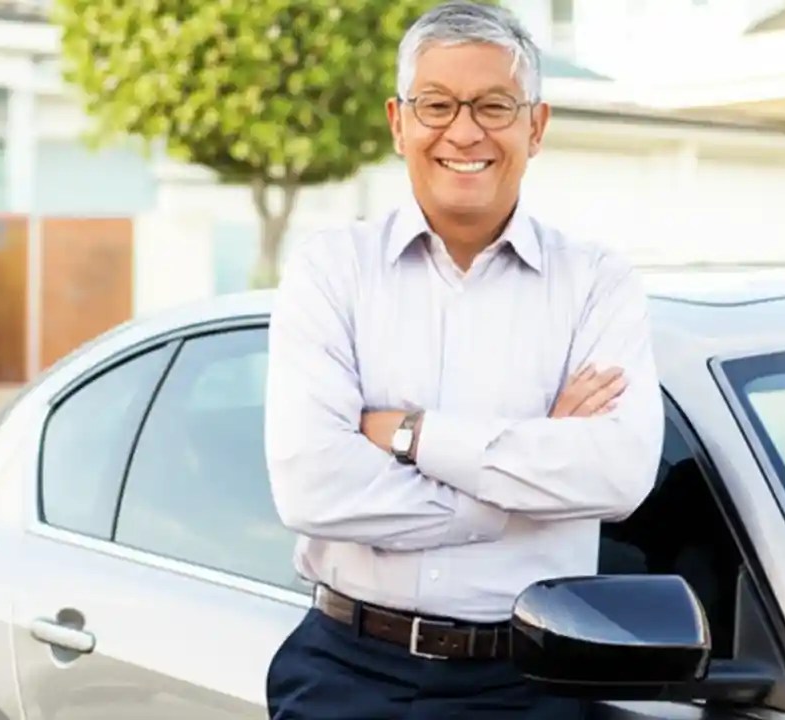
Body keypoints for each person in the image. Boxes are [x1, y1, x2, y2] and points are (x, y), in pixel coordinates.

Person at [263, 2, 665, 717]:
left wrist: (411, 436)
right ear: (398, 123)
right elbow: (312, 486)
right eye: (437, 105)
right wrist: (518, 487)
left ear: (535, 127)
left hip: (528, 686)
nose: (465, 130)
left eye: (493, 105)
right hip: (345, 673)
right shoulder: (331, 271)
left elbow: (619, 471)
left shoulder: (597, 283)